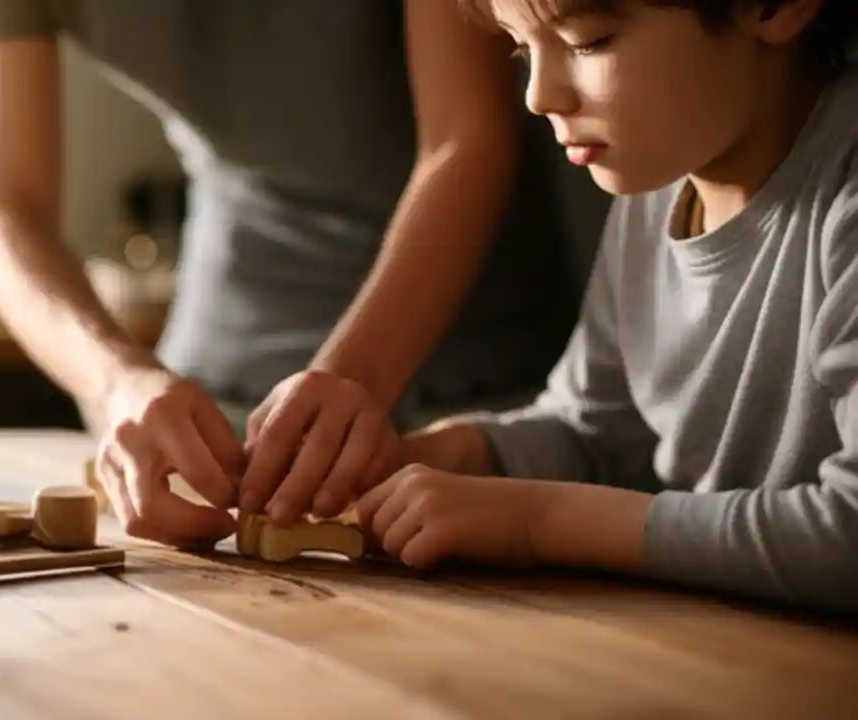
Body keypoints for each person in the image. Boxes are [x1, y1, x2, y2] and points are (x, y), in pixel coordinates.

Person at [0, 1, 580, 546]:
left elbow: (465, 140)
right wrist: (118, 385)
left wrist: (352, 380)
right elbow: (6, 209)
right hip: (215, 393)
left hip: (470, 388)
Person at [360, 0, 858, 612]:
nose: (538, 97)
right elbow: (599, 434)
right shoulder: (660, 182)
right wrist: (456, 455)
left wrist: (540, 521)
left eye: (588, 42)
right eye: (522, 49)